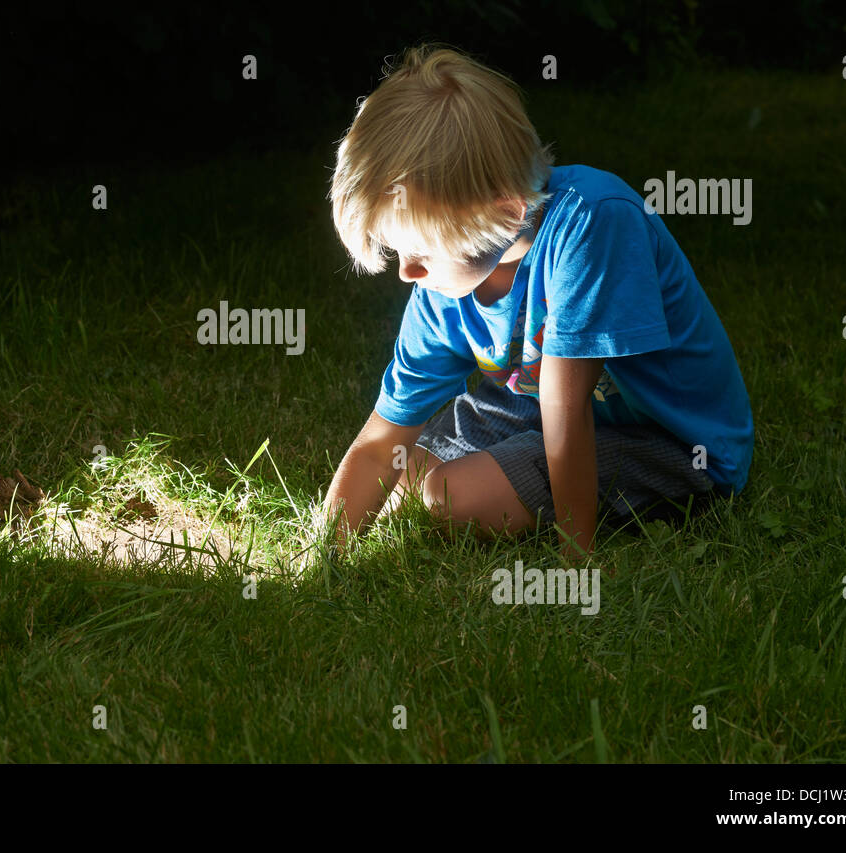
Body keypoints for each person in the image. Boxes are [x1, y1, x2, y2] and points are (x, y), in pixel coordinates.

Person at [322, 44, 753, 562]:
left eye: (421, 252)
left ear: (505, 215)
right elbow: (380, 439)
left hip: (669, 440)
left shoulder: (594, 222)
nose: (408, 273)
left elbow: (565, 407)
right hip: (529, 407)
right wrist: (323, 559)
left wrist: (577, 560)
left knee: (445, 498)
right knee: (400, 477)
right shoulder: (442, 285)